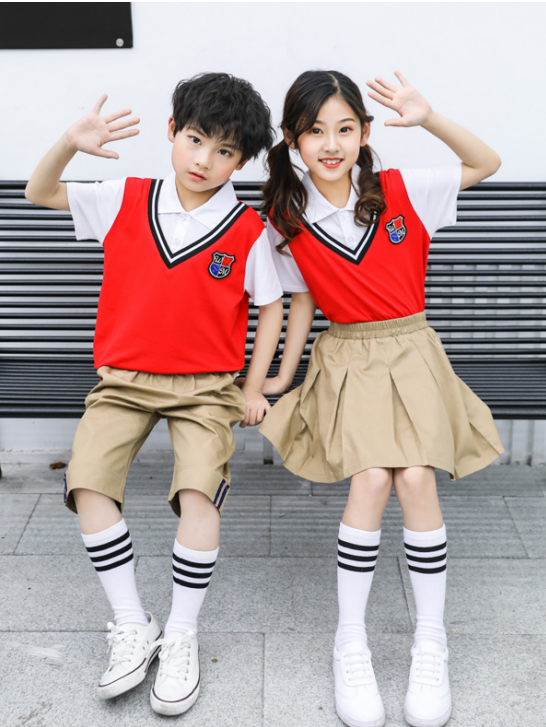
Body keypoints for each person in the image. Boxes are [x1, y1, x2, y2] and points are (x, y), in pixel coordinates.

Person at [25, 73, 283, 716]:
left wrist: (253, 386)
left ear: (242, 162)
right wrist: (70, 143)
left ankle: (182, 634)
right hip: (123, 380)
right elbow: (39, 192)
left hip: (206, 387)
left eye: (225, 151)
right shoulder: (126, 197)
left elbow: (272, 306)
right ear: (172, 131)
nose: (204, 160)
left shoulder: (246, 229)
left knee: (199, 491)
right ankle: (133, 622)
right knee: (87, 481)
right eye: (195, 140)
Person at [259, 70, 504, 727]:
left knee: (416, 476)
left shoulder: (402, 190)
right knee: (370, 478)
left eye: (345, 128)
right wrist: (280, 377)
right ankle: (351, 643)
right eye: (315, 131)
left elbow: (485, 162)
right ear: (292, 140)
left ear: (365, 133)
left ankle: (431, 642)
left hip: (412, 351)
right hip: (347, 357)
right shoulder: (287, 215)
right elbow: (301, 300)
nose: (331, 144)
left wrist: (429, 117)